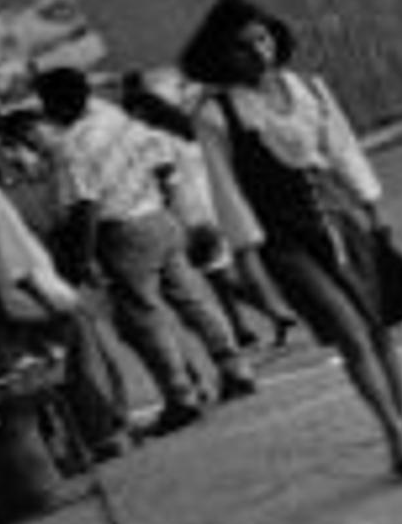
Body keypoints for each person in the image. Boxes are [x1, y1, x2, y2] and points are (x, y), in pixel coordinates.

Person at [179, 0, 402, 480]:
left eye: (261, 38)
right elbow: (226, 192)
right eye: (241, 46)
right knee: (350, 333)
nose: (257, 52)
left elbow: (344, 153)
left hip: (341, 221)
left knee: (379, 328)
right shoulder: (217, 115)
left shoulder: (311, 91)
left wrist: (372, 210)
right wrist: (249, 260)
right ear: (222, 55)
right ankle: (393, 432)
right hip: (285, 241)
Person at [35, 62, 249, 431]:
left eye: (46, 103)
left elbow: (86, 206)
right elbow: (164, 166)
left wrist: (82, 257)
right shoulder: (120, 119)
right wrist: (177, 212)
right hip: (160, 217)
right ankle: (235, 369)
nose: (45, 112)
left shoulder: (70, 147)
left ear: (58, 103)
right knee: (192, 300)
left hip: (121, 232)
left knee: (143, 318)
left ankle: (181, 396)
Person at [0, 109, 131, 455]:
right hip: (33, 292)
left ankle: (87, 438)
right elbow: (9, 258)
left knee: (61, 369)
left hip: (15, 294)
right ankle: (103, 435)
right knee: (77, 367)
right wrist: (50, 298)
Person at [122, 72, 292, 355]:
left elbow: (166, 179)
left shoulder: (154, 138)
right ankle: (242, 329)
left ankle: (276, 310)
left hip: (190, 211)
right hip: (214, 201)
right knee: (218, 275)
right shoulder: (187, 129)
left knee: (220, 275)